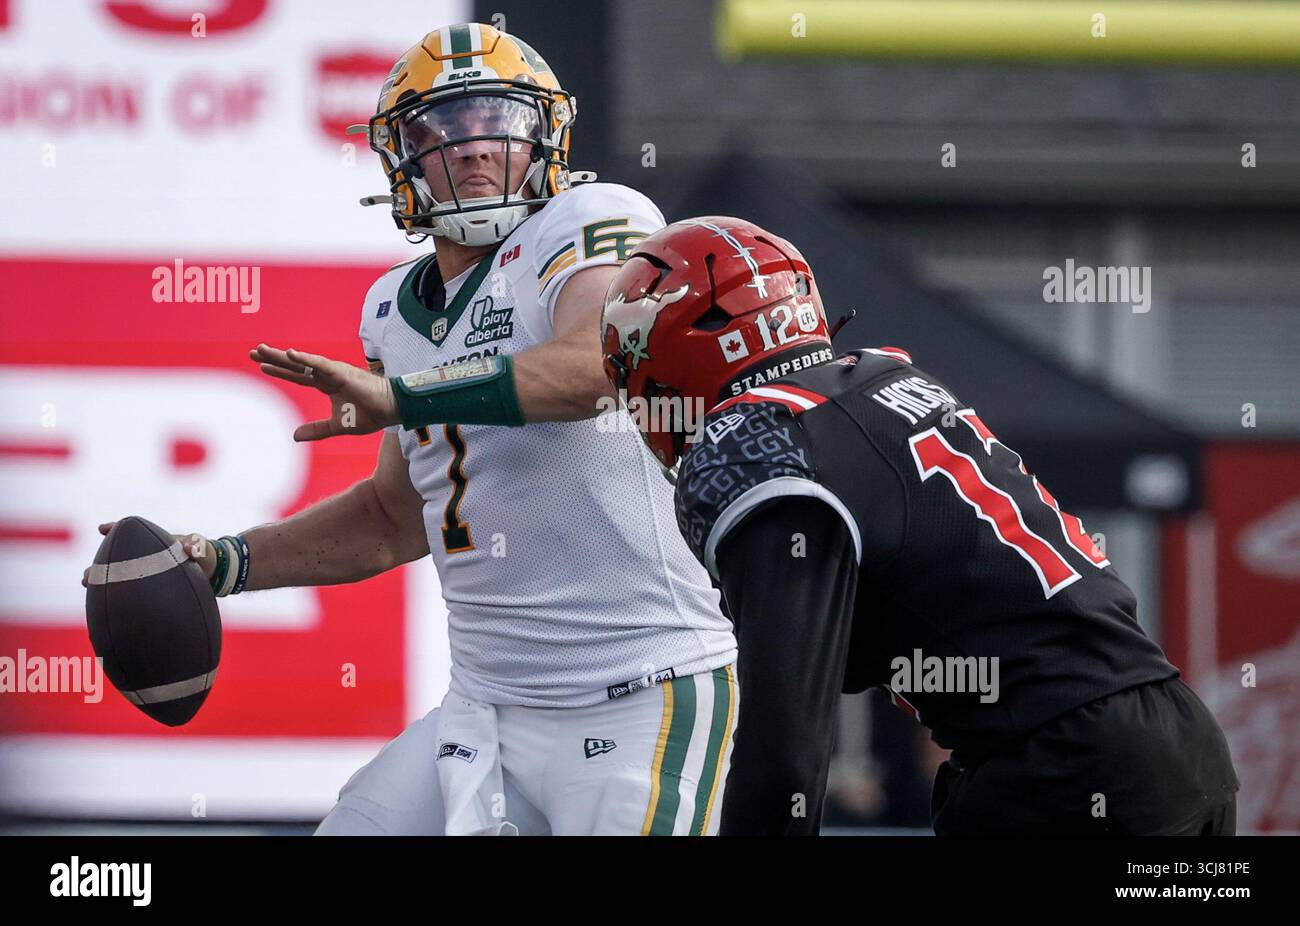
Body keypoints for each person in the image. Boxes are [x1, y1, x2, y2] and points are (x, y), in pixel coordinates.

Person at [90, 24, 738, 836]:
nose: (474, 150)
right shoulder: (392, 308)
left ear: (546, 140)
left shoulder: (591, 219)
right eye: (446, 130)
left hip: (642, 692)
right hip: (484, 712)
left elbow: (596, 370)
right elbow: (393, 518)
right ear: (402, 159)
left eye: (500, 124)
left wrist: (406, 397)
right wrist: (223, 562)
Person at [596, 215, 1239, 835]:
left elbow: (785, 741)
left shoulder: (755, 438)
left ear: (670, 362)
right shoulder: (885, 380)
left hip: (1061, 769)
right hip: (1181, 741)